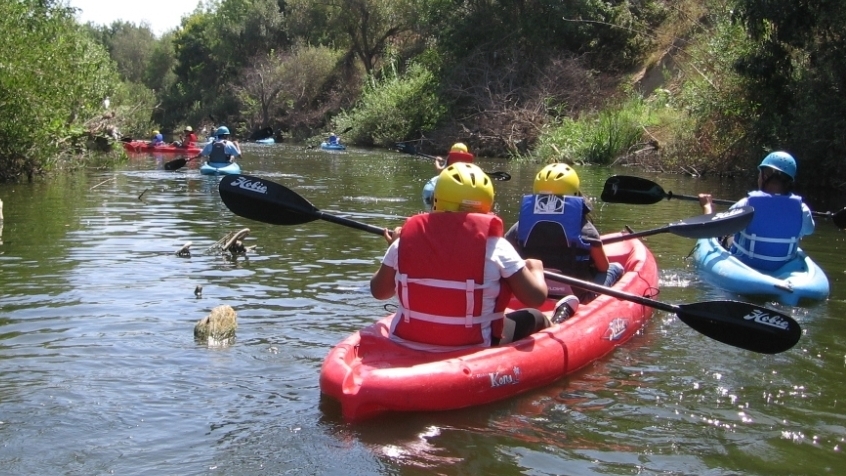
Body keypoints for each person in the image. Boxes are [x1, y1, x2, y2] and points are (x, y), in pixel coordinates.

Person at [370, 162, 552, 349]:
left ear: (436, 200)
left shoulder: (402, 244)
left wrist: (395, 249)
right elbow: (536, 298)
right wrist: (536, 269)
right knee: (534, 316)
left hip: (408, 343)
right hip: (473, 345)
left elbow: (380, 292)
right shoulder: (498, 247)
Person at [505, 163, 624, 304]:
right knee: (615, 267)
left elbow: (506, 256)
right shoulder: (586, 229)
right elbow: (603, 266)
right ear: (574, 194)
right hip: (577, 297)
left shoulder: (519, 227)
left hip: (531, 293)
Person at [698, 151, 814, 271]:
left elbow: (713, 228)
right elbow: (809, 230)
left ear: (765, 176)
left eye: (760, 174)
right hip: (783, 269)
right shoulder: (802, 210)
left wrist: (707, 206)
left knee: (726, 235)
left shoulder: (746, 204)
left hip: (744, 266)